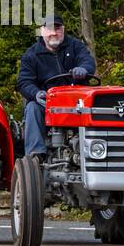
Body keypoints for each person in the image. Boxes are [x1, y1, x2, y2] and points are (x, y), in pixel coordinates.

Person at [17, 13, 96, 159]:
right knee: (32, 107)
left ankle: (96, 148)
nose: (53, 33)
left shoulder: (75, 46)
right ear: (42, 31)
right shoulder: (31, 55)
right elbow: (24, 82)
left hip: (77, 102)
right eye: (49, 29)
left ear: (63, 30)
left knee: (97, 106)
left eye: (57, 28)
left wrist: (84, 69)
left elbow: (88, 61)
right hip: (46, 103)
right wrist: (36, 93)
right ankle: (36, 156)